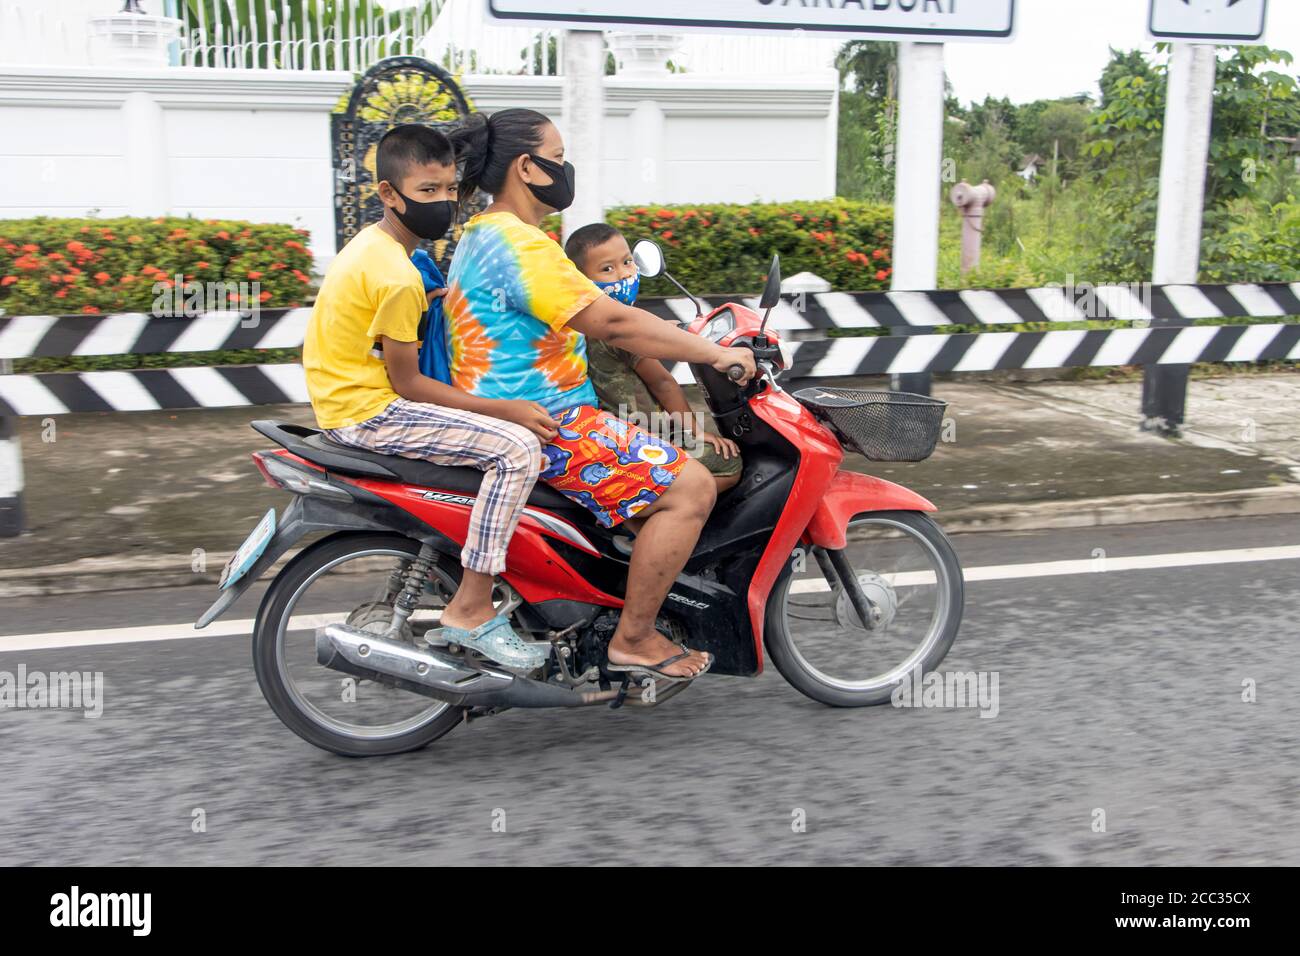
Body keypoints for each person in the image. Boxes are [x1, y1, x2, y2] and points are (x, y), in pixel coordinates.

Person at [445, 108, 757, 683]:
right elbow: (615, 323)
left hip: (520, 411)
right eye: (558, 159)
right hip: (552, 422)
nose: (565, 170)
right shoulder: (523, 246)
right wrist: (713, 353)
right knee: (689, 487)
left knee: (656, 456)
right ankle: (633, 639)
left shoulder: (482, 234)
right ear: (526, 167)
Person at [301, 123, 558, 672]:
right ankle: (472, 608)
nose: (442, 203)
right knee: (516, 450)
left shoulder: (377, 248)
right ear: (388, 194)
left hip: (345, 397)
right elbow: (409, 384)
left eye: (447, 190)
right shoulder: (396, 275)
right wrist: (508, 408)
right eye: (426, 192)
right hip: (369, 413)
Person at [564, 222, 742, 493]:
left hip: (615, 435)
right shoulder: (620, 330)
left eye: (627, 262)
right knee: (730, 464)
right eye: (607, 269)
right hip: (645, 439)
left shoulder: (583, 325)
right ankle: (667, 514)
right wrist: (695, 433)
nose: (623, 274)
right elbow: (663, 384)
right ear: (581, 280)